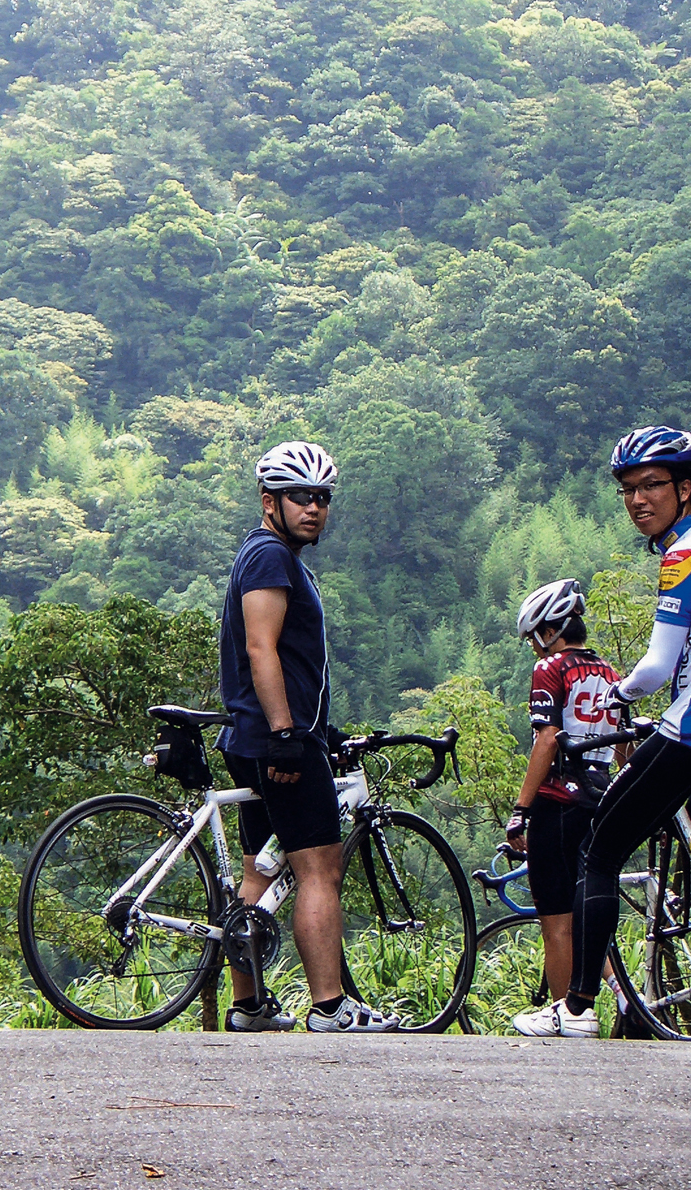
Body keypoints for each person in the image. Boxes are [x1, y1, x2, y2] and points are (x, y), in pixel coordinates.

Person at [524, 425, 691, 1038]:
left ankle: (579, 1008)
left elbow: (659, 666)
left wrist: (615, 696)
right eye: (629, 489)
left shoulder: (683, 555)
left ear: (685, 488)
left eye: (653, 486)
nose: (640, 500)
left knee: (601, 849)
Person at [214, 441, 397, 1034]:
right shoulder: (270, 558)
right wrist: (289, 733)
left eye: (321, 498)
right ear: (271, 502)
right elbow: (261, 649)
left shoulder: (269, 554)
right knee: (320, 870)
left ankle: (248, 1006)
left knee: (259, 873)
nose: (313, 508)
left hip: (262, 736)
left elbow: (290, 663)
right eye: (300, 497)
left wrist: (320, 727)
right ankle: (330, 1007)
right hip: (277, 743)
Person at [505, 579, 622, 1033]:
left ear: (552, 631)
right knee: (586, 905)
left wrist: (522, 808)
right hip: (600, 797)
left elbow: (547, 739)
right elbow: (621, 742)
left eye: (534, 636)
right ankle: (614, 995)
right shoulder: (608, 671)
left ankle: (567, 1014)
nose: (533, 647)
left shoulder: (551, 669)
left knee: (555, 918)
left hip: (558, 801)